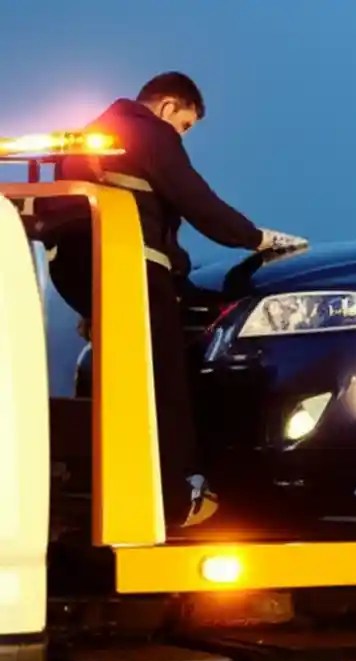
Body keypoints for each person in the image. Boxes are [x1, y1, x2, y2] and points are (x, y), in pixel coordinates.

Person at [37, 71, 307, 531]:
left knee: (119, 386)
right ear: (167, 107)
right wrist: (257, 238)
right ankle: (177, 496)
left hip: (77, 272)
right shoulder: (146, 131)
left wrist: (89, 305)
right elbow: (196, 200)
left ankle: (106, 485)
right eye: (184, 125)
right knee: (163, 384)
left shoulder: (85, 142)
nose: (181, 135)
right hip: (135, 269)